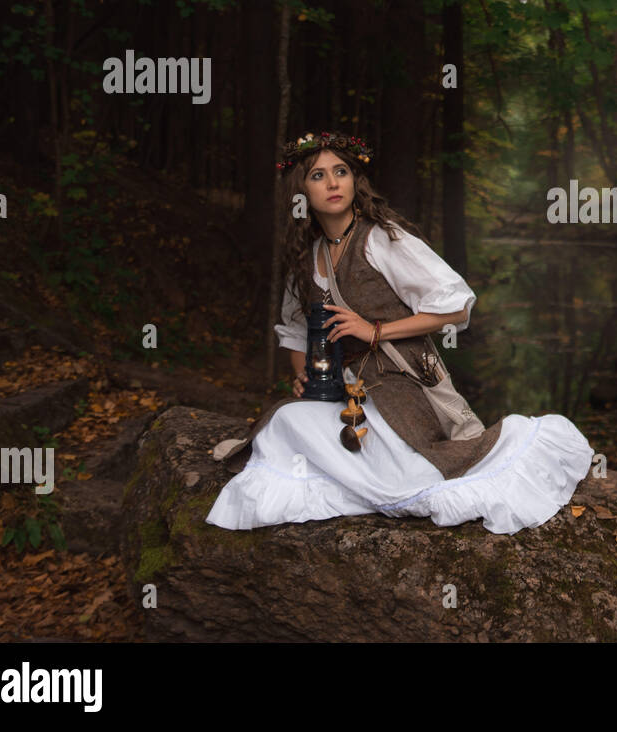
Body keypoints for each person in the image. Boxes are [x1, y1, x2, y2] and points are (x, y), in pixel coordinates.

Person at [206, 131, 595, 535]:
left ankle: (392, 474)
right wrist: (304, 374)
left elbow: (455, 304)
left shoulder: (382, 238)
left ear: (356, 181)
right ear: (301, 190)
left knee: (403, 465)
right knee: (285, 420)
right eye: (318, 176)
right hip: (344, 393)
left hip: (402, 384)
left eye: (341, 172)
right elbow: (293, 331)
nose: (333, 183)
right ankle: (356, 473)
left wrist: (374, 331)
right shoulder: (308, 259)